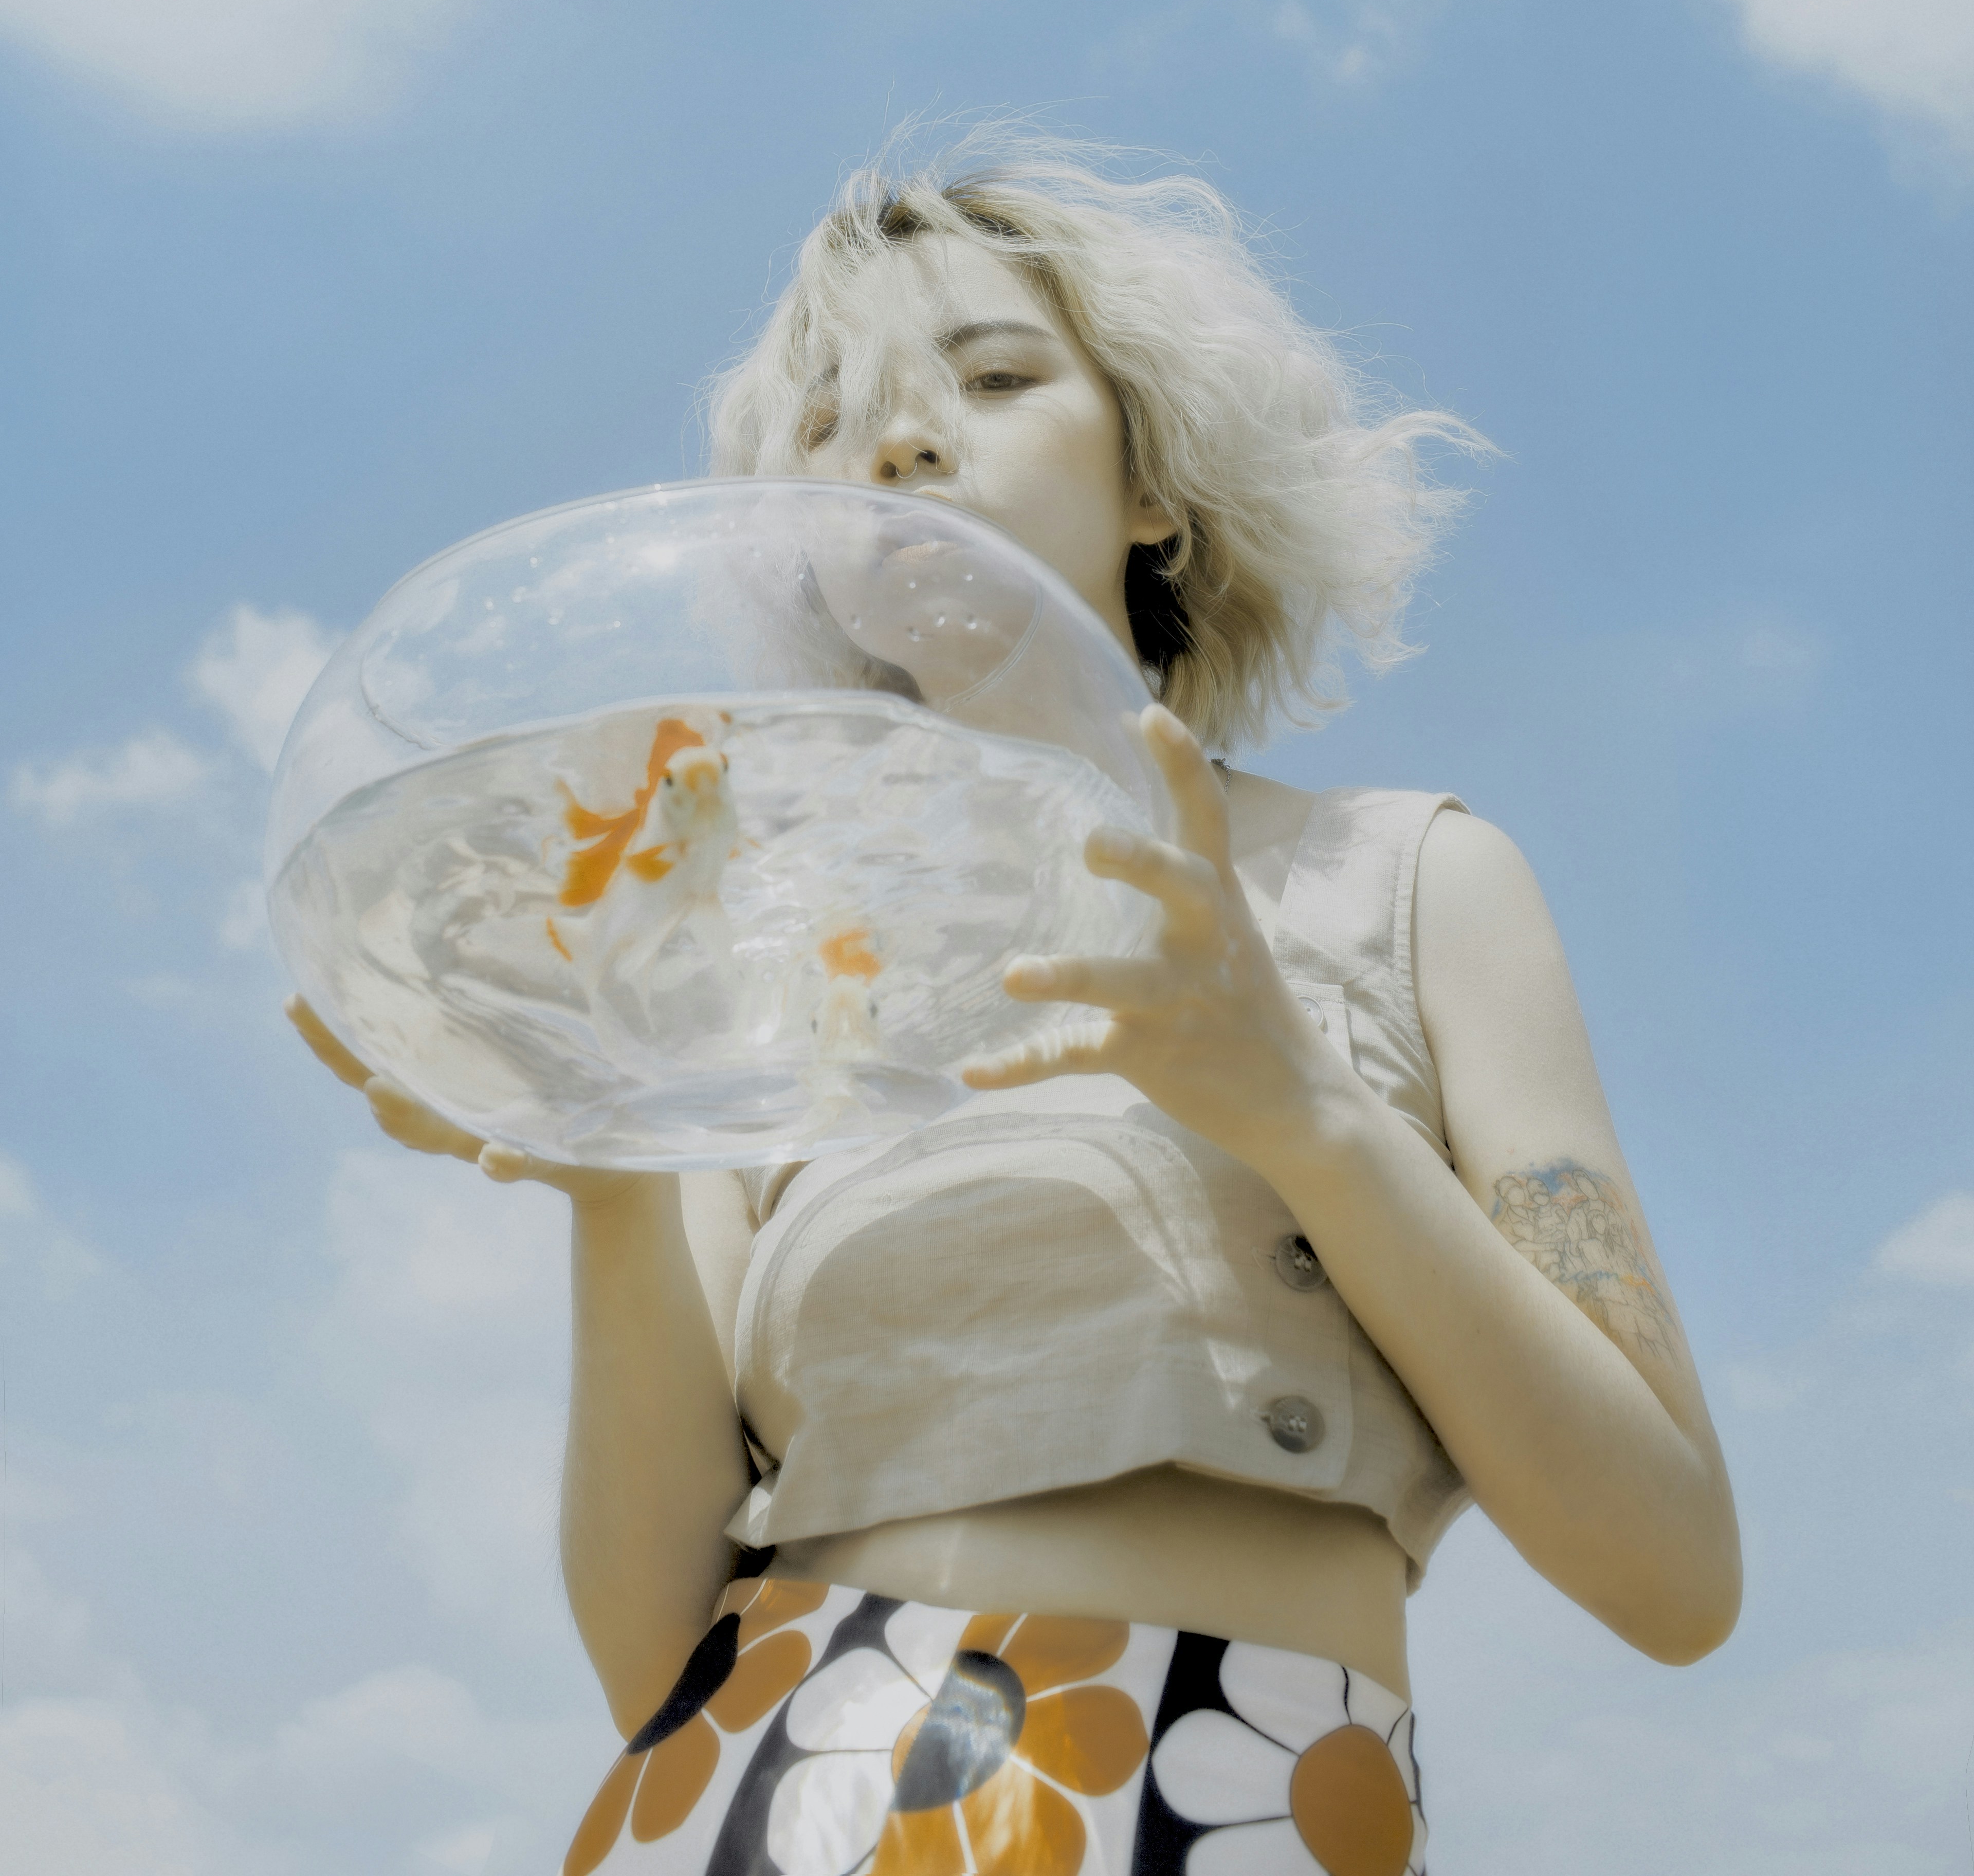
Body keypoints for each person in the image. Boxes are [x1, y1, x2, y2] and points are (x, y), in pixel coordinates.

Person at [292, 140, 1740, 1876]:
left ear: (1158, 485)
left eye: (992, 379)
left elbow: (1674, 1577)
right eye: (834, 421)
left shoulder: (1414, 878)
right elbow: (648, 1660)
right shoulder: (746, 970)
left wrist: (1298, 1107)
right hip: (765, 1781)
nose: (900, 444)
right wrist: (606, 1160)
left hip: (1250, 1796)